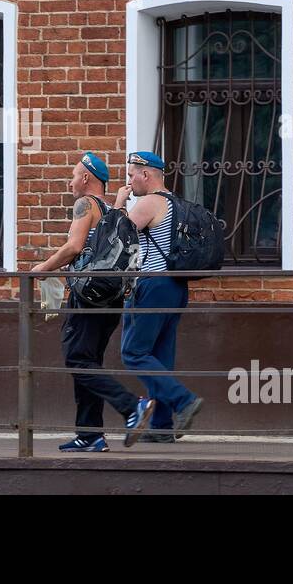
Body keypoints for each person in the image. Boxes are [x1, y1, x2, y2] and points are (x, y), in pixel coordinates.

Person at [32, 153, 139, 452]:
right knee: (88, 361)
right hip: (112, 298)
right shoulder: (111, 209)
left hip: (88, 295)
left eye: (74, 175)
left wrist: (43, 268)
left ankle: (132, 407)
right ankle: (89, 434)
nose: (70, 182)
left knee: (77, 358)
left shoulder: (86, 205)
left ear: (86, 178)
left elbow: (74, 246)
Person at [116, 151, 203, 447]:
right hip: (176, 286)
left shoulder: (149, 202)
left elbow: (118, 236)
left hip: (153, 284)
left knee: (134, 352)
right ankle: (162, 427)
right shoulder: (175, 202)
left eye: (131, 174)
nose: (129, 181)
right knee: (161, 357)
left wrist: (118, 205)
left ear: (146, 173)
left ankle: (184, 400)